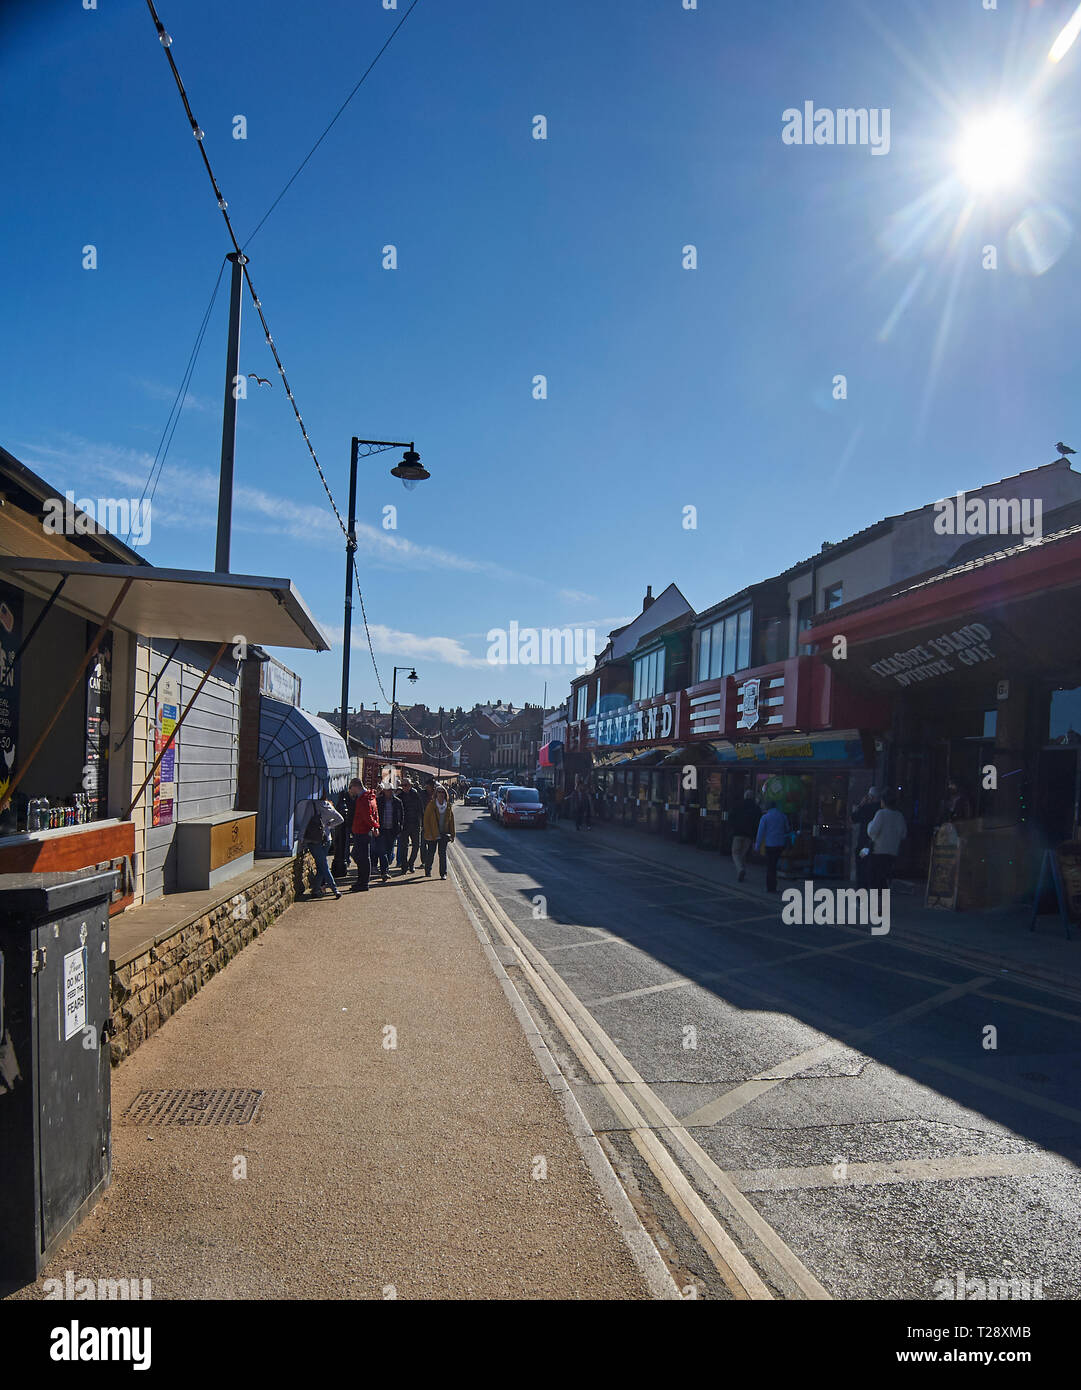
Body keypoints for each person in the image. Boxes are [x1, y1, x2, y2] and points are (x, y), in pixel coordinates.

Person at [296, 789, 344, 899]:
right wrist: (329, 825)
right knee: (322, 864)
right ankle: (316, 889)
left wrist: (300, 839)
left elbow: (305, 822)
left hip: (313, 840)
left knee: (323, 865)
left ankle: (334, 889)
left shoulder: (311, 805)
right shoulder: (328, 805)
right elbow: (340, 819)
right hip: (326, 838)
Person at [866, 790, 907, 890]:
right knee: (884, 877)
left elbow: (872, 831)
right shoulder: (899, 816)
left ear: (883, 802)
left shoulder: (881, 814)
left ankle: (877, 902)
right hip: (892, 851)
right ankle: (882, 902)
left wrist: (870, 824)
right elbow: (903, 834)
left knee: (875, 879)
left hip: (879, 850)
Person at [349, 780, 381, 892]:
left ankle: (363, 882)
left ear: (355, 786)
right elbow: (375, 813)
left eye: (351, 787)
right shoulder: (370, 796)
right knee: (361, 856)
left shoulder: (363, 799)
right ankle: (362, 881)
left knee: (362, 857)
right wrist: (375, 826)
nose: (350, 790)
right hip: (365, 830)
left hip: (362, 830)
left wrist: (375, 826)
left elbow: (367, 816)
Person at [754, 800, 790, 893]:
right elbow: (787, 829)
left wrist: (757, 846)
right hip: (780, 843)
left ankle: (770, 886)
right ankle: (773, 885)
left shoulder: (765, 817)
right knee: (774, 864)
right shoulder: (783, 816)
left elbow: (760, 833)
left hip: (770, 844)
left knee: (770, 865)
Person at [422, 783, 456, 879]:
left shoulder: (448, 806)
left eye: (442, 792)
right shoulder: (431, 805)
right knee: (431, 853)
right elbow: (426, 820)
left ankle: (443, 873)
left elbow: (451, 821)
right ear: (436, 794)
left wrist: (452, 834)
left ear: (445, 794)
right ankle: (428, 871)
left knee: (442, 854)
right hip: (433, 833)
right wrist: (428, 833)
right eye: (439, 792)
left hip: (444, 833)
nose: (441, 794)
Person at [851, 786, 881, 888]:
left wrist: (861, 804)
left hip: (864, 844)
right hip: (878, 846)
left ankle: (861, 893)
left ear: (870, 797)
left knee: (861, 868)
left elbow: (853, 818)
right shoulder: (882, 810)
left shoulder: (866, 808)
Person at [729, 790, 761, 883]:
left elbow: (731, 817)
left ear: (745, 796)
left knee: (735, 853)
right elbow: (758, 823)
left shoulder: (738, 805)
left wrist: (733, 828)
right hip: (749, 835)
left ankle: (740, 870)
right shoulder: (756, 808)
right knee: (742, 854)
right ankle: (741, 872)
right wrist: (755, 836)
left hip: (738, 833)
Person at [375, 782, 404, 882]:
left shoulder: (397, 802)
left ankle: (385, 870)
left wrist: (400, 828)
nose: (390, 792)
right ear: (384, 791)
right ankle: (384, 872)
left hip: (392, 830)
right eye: (388, 790)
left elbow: (401, 816)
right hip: (381, 830)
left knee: (388, 851)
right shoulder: (378, 801)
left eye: (392, 790)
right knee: (382, 851)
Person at [397, 775, 423, 874]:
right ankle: (404, 867)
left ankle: (411, 863)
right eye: (402, 785)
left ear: (410, 785)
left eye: (406, 785)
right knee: (404, 847)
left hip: (415, 824)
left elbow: (421, 809)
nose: (404, 787)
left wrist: (422, 823)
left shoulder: (416, 795)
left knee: (416, 846)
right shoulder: (399, 797)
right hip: (404, 825)